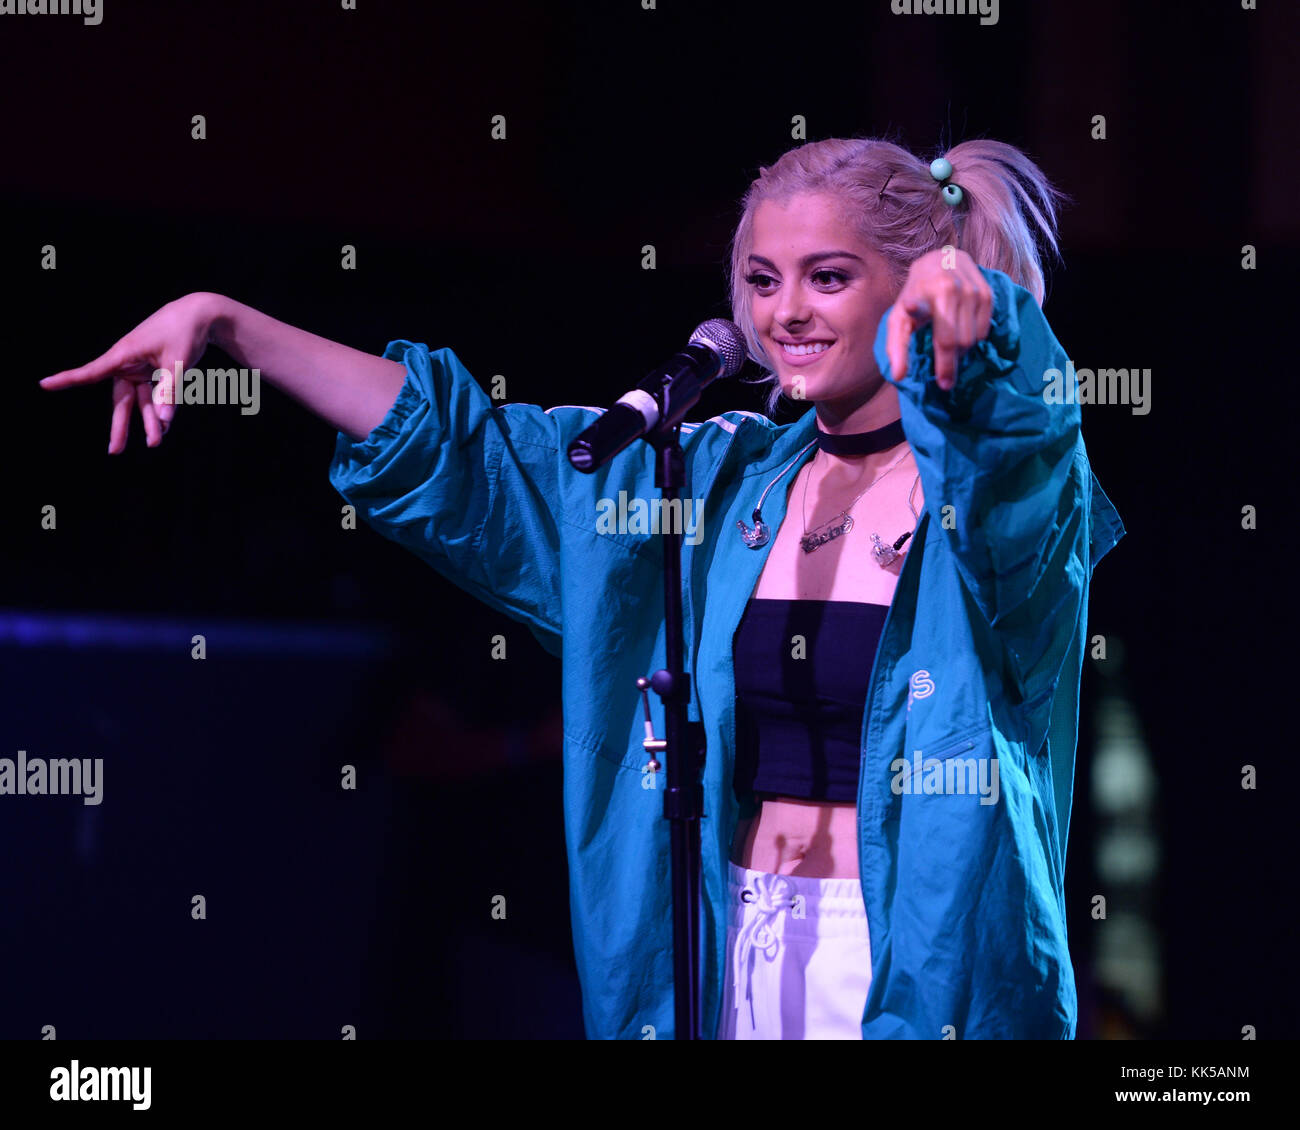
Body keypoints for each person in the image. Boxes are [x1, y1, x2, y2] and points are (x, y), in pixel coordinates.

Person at [40, 135, 1125, 1040]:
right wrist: (230, 321)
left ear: (911, 285)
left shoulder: (991, 496)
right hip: (721, 946)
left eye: (828, 277)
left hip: (915, 965)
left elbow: (1016, 436)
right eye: (760, 279)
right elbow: (474, 459)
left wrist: (975, 318)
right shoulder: (711, 482)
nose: (784, 311)